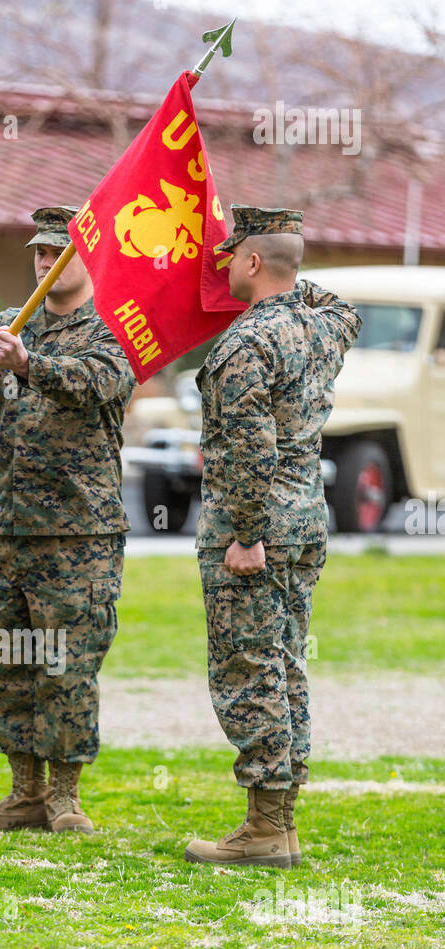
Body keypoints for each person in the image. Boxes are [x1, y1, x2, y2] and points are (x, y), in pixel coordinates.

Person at [0, 206, 135, 833]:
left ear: (88, 258)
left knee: (68, 663)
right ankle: (24, 790)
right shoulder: (2, 328)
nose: (47, 266)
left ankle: (64, 796)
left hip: (79, 530)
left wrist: (29, 365)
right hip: (5, 527)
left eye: (60, 255)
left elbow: (97, 385)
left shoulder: (115, 330)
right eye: (40, 256)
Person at [185, 206, 362, 867]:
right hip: (307, 520)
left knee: (248, 671)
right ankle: (279, 823)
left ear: (253, 263)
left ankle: (264, 828)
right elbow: (339, 302)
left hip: (258, 529)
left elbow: (251, 447)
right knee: (285, 665)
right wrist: (286, 261)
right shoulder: (325, 329)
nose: (224, 265)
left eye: (234, 255)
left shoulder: (245, 345)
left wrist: (246, 534)